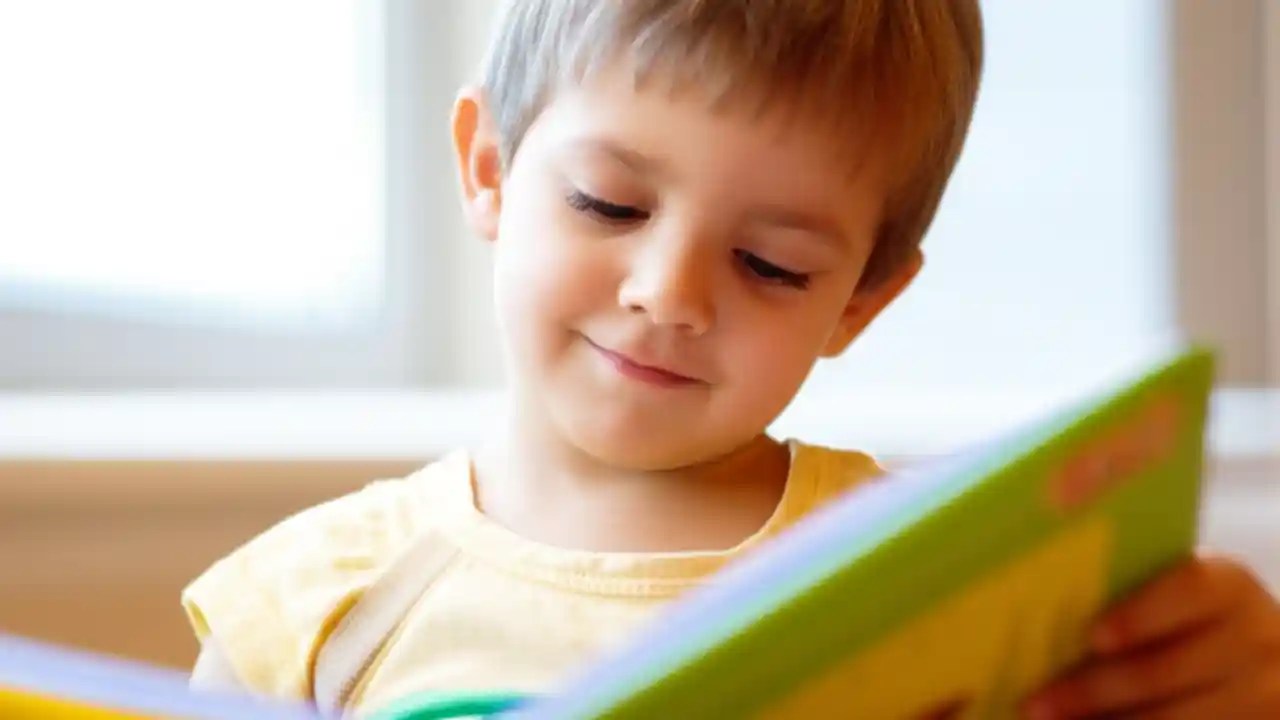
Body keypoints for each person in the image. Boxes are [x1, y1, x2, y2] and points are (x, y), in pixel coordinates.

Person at [182, 1, 1280, 717]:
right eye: (608, 203)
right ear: (489, 169)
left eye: (769, 265)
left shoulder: (929, 579)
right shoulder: (306, 605)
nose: (669, 293)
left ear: (860, 300)